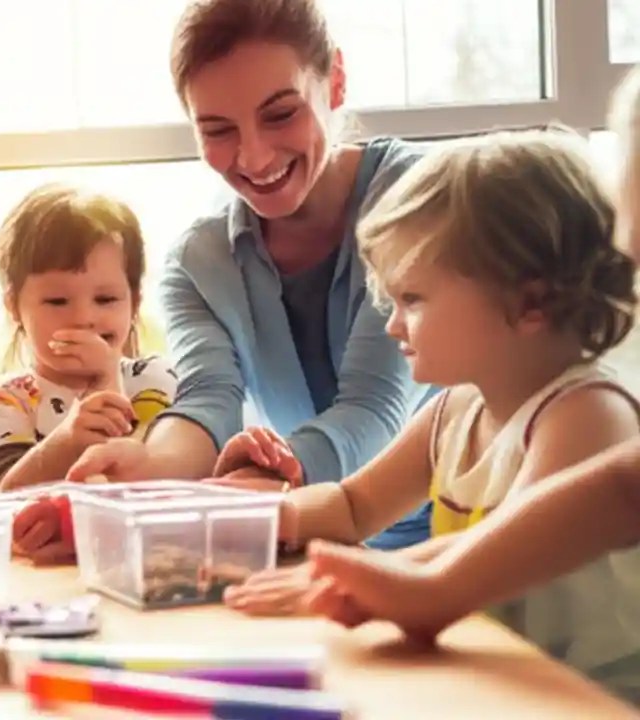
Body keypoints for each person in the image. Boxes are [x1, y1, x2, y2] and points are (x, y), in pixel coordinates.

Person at [302, 68, 640, 705]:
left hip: (593, 698)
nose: (393, 321)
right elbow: (352, 507)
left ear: (528, 301)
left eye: (414, 297)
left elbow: (504, 551)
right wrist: (221, 515)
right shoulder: (454, 412)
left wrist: (365, 577)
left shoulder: (587, 417)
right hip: (499, 678)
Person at [67, 0, 433, 549]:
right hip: (314, 534)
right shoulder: (198, 264)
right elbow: (209, 398)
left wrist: (253, 486)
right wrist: (148, 474)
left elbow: (374, 407)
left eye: (280, 113)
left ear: (334, 81)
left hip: (477, 531)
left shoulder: (421, 201)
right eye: (217, 130)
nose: (256, 156)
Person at [0, 183, 176, 492]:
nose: (84, 318)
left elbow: (153, 479)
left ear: (134, 302)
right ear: (13, 306)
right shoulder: (9, 398)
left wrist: (107, 377)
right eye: (57, 301)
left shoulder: (157, 379)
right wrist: (67, 438)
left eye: (106, 299)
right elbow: (9, 493)